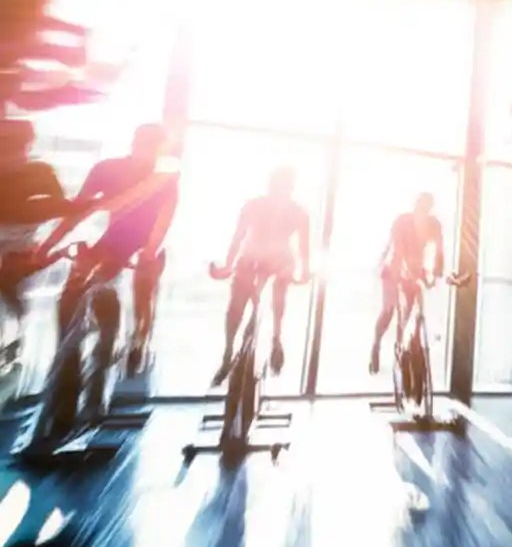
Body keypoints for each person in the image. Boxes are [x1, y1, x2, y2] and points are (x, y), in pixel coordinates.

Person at [36, 123, 177, 377]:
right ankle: (67, 347)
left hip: (140, 245)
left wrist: (148, 252)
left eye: (151, 147)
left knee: (143, 287)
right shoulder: (107, 169)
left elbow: (163, 222)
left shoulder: (165, 182)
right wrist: (48, 245)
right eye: (144, 144)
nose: (146, 152)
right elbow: (78, 211)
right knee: (75, 286)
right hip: (107, 240)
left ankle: (138, 340)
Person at [211, 166, 310, 385]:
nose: (279, 191)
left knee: (272, 290)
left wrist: (303, 270)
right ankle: (232, 350)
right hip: (255, 259)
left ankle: (273, 338)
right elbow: (238, 237)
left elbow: (304, 247)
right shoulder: (258, 206)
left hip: (273, 261)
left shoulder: (295, 212)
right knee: (238, 304)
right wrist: (228, 264)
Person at [0, 119, 68, 356]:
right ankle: (15, 337)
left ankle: (16, 338)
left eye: (15, 148)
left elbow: (60, 206)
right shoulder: (40, 172)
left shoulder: (40, 172)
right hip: (18, 240)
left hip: (21, 240)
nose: (8, 156)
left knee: (10, 285)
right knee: (10, 286)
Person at [369, 192, 445, 375]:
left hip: (414, 270)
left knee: (408, 314)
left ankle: (401, 347)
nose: (422, 212)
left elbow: (440, 251)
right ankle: (376, 344)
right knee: (389, 310)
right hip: (393, 269)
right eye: (420, 207)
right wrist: (408, 270)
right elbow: (398, 249)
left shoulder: (433, 225)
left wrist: (437, 271)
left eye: (426, 208)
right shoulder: (402, 222)